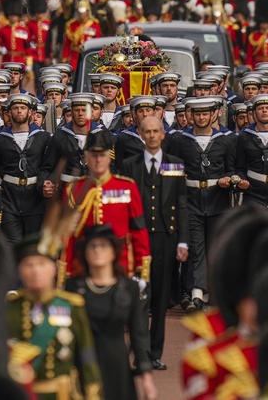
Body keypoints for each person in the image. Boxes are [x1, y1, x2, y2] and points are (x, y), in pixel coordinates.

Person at [115, 115, 187, 370]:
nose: (153, 135)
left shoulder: (175, 164)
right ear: (140, 133)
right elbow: (122, 204)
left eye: (157, 131)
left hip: (166, 239)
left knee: (160, 299)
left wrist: (184, 241)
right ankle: (140, 352)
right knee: (139, 298)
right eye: (147, 131)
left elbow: (181, 203)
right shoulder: (129, 165)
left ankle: (155, 353)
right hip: (137, 240)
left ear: (163, 133)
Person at [7, 231, 103, 400]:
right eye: (29, 265)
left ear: (54, 269)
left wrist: (92, 393)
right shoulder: (10, 308)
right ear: (20, 271)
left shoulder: (73, 306)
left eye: (42, 264)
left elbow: (86, 356)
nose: (36, 271)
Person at [64, 225, 156, 400]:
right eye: (93, 246)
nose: (98, 250)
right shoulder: (74, 288)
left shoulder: (129, 288)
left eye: (103, 245)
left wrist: (147, 378)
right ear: (84, 252)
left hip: (117, 365)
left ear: (114, 251)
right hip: (82, 365)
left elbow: (139, 334)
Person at [167, 96, 236, 311]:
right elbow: (171, 166)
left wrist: (230, 178)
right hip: (191, 199)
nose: (202, 117)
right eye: (197, 114)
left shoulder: (227, 139)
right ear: (190, 115)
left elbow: (234, 168)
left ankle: (210, 294)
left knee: (214, 246)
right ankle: (196, 292)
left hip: (218, 199)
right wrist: (179, 175)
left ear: (214, 114)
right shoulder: (179, 139)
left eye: (206, 113)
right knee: (195, 246)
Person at [60, 131, 151, 283]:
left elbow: (138, 229)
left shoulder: (127, 187)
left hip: (120, 264)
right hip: (83, 265)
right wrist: (66, 271)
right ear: (86, 158)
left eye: (102, 155)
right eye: (93, 155)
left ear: (109, 157)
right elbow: (67, 237)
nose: (98, 160)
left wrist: (141, 268)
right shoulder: (73, 190)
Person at [0, 93, 52, 243]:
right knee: (13, 244)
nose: (19, 111)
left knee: (32, 243)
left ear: (31, 112)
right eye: (15, 108)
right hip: (9, 197)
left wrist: (46, 183)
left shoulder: (43, 138)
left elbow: (48, 166)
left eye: (23, 108)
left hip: (35, 197)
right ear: (8, 112)